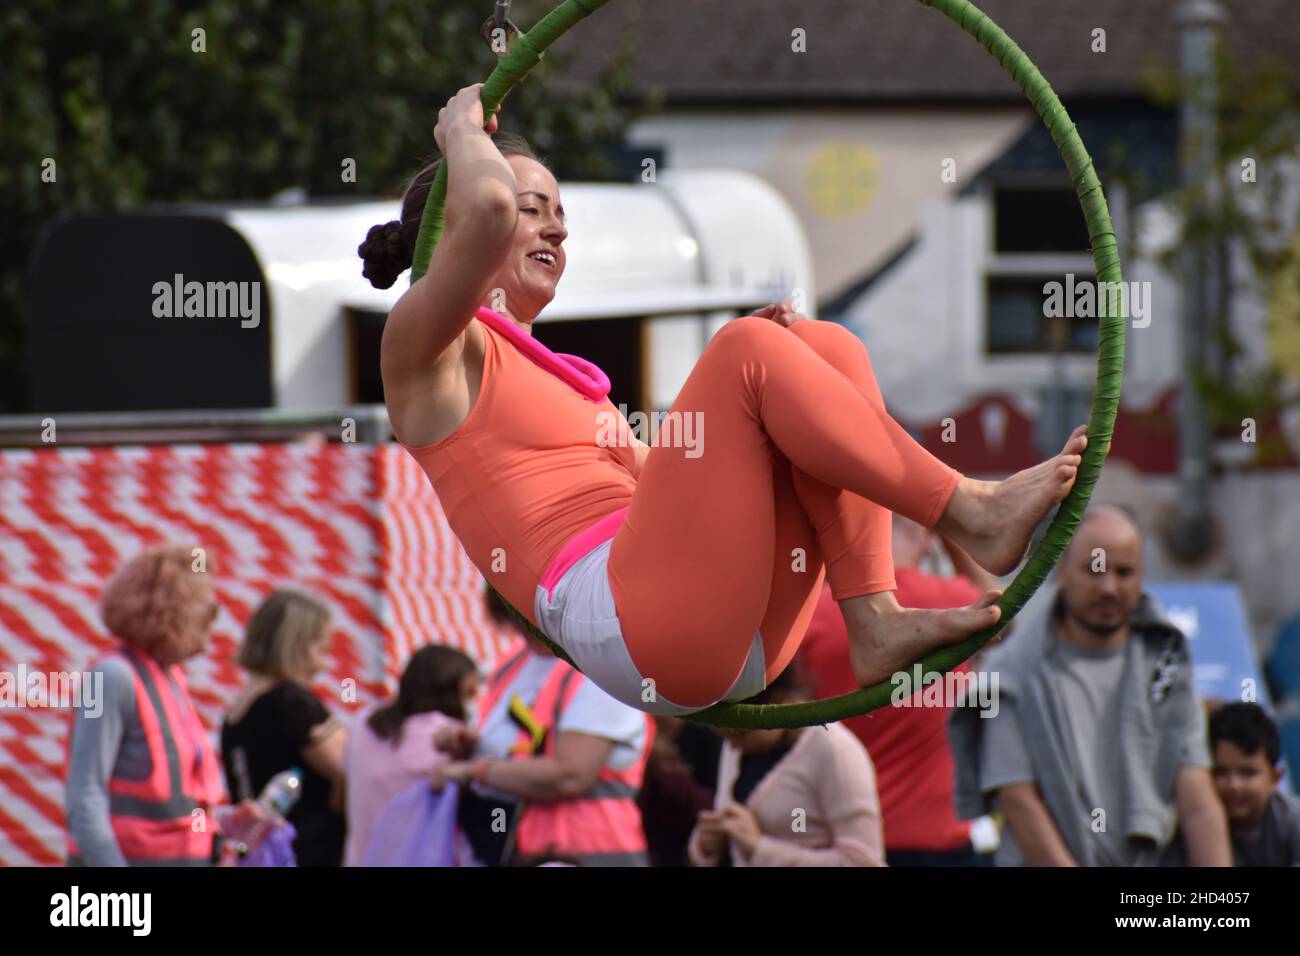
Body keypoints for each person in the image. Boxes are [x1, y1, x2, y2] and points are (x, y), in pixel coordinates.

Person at [363, 82, 1088, 718]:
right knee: (744, 350)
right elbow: (485, 206)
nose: (555, 226)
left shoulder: (557, 376)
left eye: (560, 212)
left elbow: (680, 495)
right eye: (533, 209)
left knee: (823, 348)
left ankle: (874, 615)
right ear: (450, 232)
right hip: (631, 624)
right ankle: (968, 509)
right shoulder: (427, 357)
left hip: (722, 623)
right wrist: (461, 128)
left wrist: (776, 393)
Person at [950, 506, 1232, 866]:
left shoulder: (1165, 663)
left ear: (1142, 575)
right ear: (1063, 570)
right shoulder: (1013, 672)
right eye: (1094, 569)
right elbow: (1018, 801)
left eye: (1124, 572)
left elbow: (1198, 803)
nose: (1109, 586)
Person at [800, 515, 1000, 865]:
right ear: (925, 540)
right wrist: (949, 526)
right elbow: (1003, 611)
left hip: (852, 840)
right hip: (945, 841)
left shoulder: (814, 614)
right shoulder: (953, 601)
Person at [432, 587, 654, 866]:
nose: (518, 627)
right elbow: (509, 742)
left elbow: (570, 775)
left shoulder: (600, 669)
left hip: (591, 852)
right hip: (528, 848)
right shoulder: (513, 661)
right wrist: (469, 744)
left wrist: (474, 771)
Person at [66, 546, 233, 865]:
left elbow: (175, 805)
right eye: (208, 611)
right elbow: (84, 798)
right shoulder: (112, 676)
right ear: (173, 612)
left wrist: (227, 819)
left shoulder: (169, 679)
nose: (214, 624)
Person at [687, 665, 884, 867]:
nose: (732, 745)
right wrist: (706, 845)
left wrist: (760, 849)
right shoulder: (735, 747)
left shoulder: (835, 752)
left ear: (778, 703)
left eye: (739, 733)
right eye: (724, 736)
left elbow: (864, 861)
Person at [221, 589, 348, 867]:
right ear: (297, 644)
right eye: (321, 649)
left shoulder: (237, 712)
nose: (323, 664)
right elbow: (349, 768)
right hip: (306, 852)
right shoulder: (291, 703)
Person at [343, 645, 480, 866]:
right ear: (453, 692)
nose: (475, 700)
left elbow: (340, 792)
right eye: (471, 692)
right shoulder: (451, 737)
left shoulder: (363, 723)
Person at [1208, 702, 1300, 866]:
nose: (1233, 785)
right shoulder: (1188, 827)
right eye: (1220, 772)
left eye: (1247, 772)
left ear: (1275, 778)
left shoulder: (1293, 821)